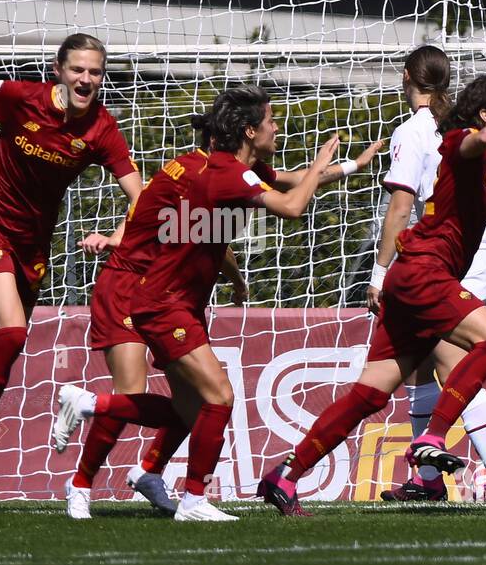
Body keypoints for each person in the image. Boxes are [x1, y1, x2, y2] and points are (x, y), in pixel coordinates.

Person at [259, 66, 486, 516]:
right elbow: (474, 145)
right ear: (485, 115)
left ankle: (286, 475)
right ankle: (434, 439)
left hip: (417, 279)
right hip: (424, 270)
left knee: (369, 395)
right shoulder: (460, 142)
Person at [62, 115, 382, 519]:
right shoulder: (207, 171)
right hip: (134, 286)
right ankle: (85, 479)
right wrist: (117, 239)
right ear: (239, 132)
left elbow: (273, 193)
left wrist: (353, 166)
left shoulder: (238, 170)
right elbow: (284, 204)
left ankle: (148, 469)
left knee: (194, 406)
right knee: (191, 394)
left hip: (174, 293)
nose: (276, 128)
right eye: (269, 121)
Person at [0, 34, 142, 500]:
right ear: (58, 70)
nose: (86, 79)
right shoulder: (21, 98)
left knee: (4, 343)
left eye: (95, 72)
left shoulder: (102, 129)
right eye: (78, 70)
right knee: (12, 332)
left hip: (32, 247)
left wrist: (117, 237)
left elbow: (141, 199)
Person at [368, 46, 486, 504]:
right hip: (460, 250)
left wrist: (379, 272)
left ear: (405, 76)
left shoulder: (413, 132)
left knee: (448, 360)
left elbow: (401, 207)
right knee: (425, 366)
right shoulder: (456, 129)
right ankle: (428, 478)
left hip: (442, 257)